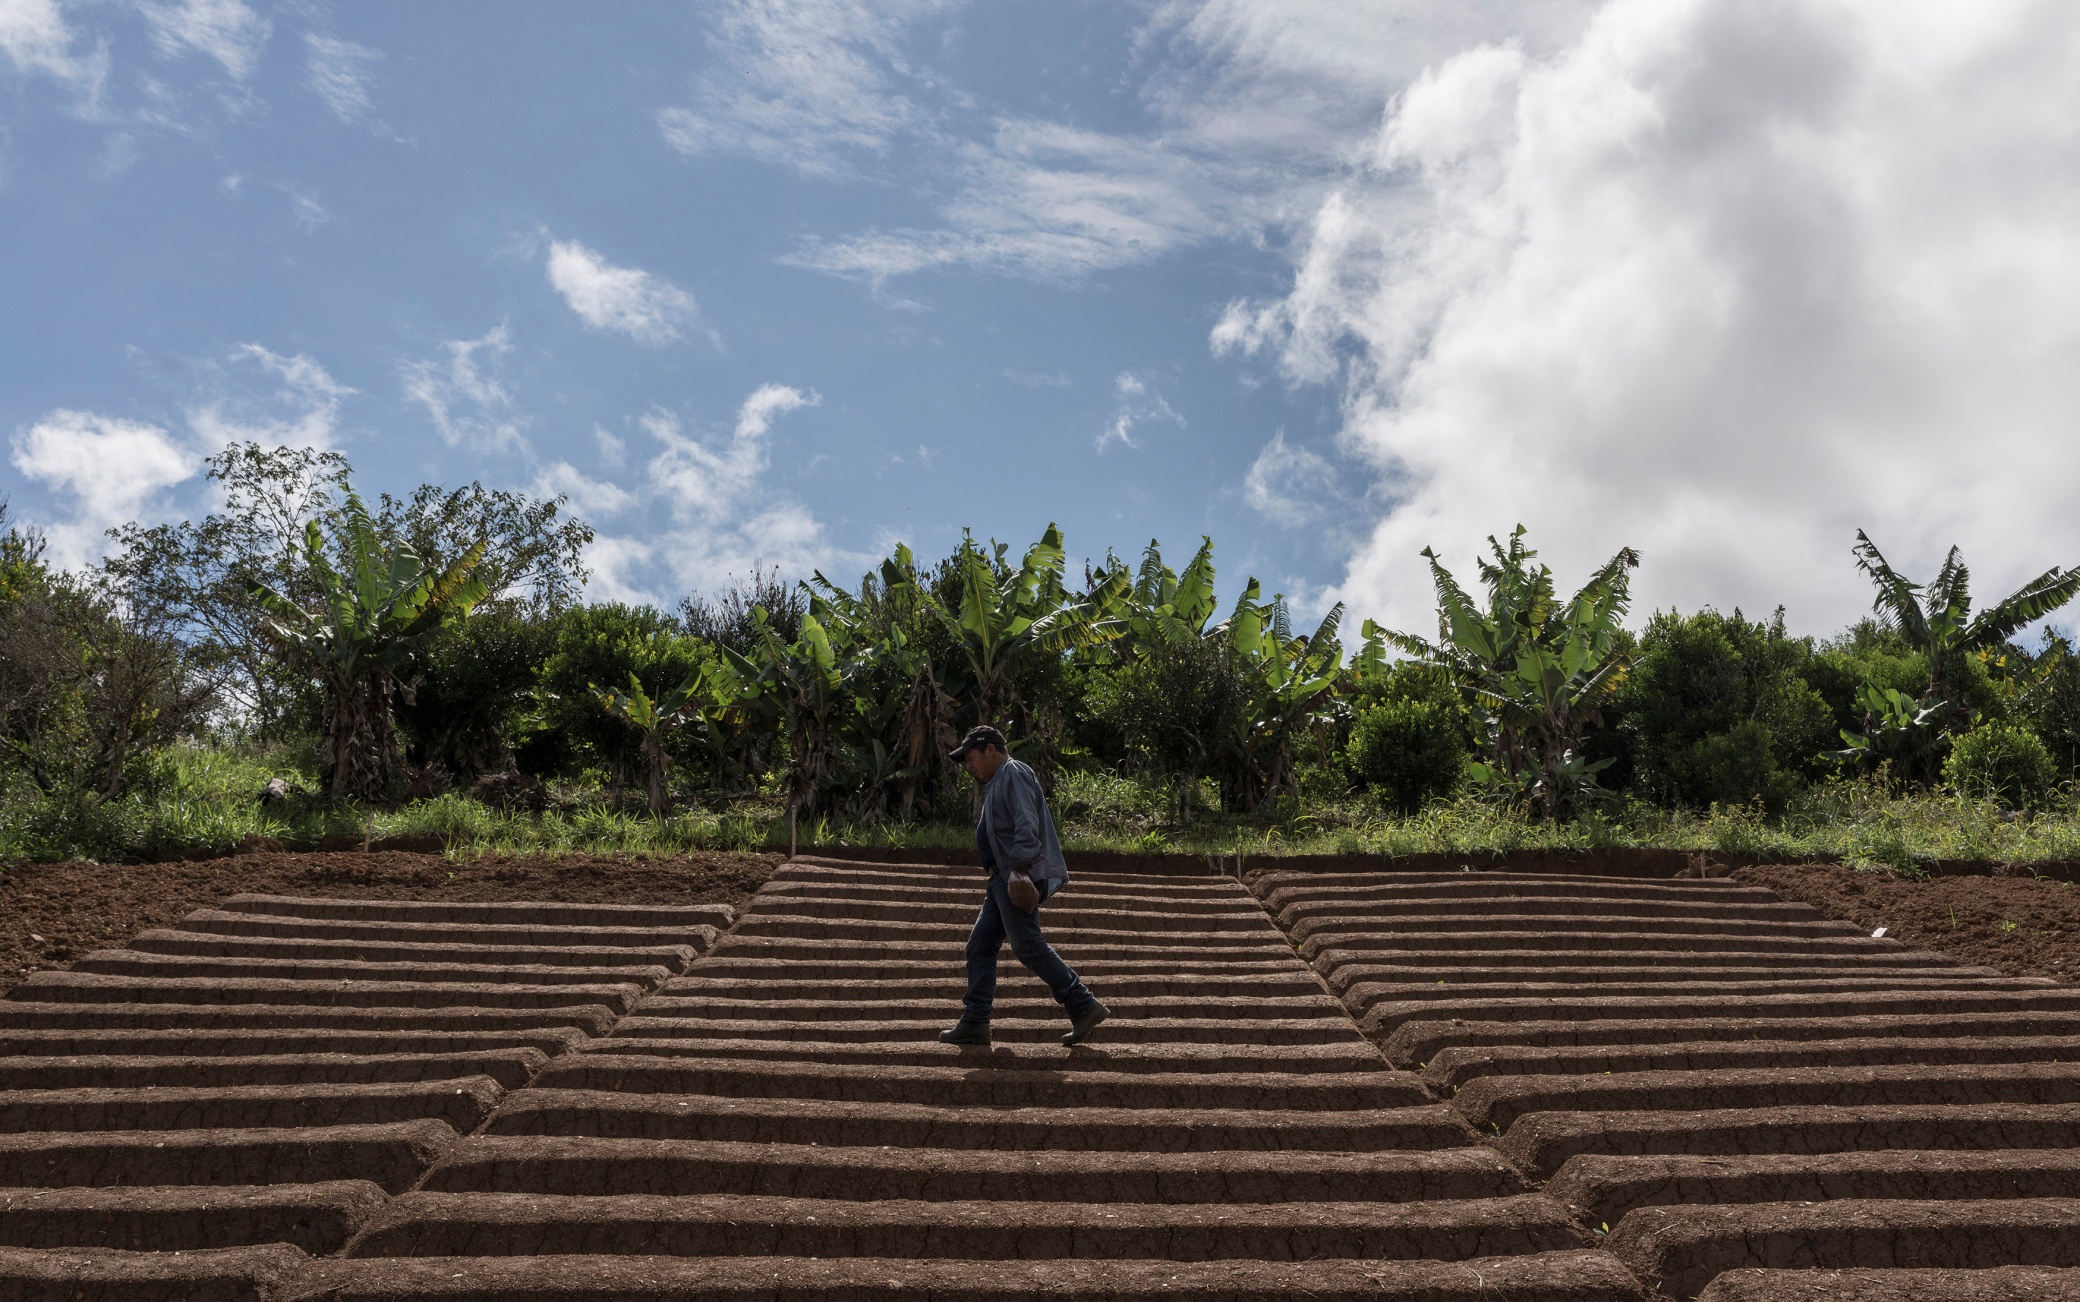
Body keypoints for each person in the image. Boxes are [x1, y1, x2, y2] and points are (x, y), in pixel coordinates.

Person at [937, 725, 1110, 1048]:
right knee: (979, 946)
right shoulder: (998, 781)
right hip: (1000, 877)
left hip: (1014, 874)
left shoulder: (1012, 772)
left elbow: (1026, 824)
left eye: (971, 758)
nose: (969, 766)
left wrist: (1018, 869)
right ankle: (975, 1021)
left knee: (1028, 945)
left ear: (990, 749)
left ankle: (1082, 1004)